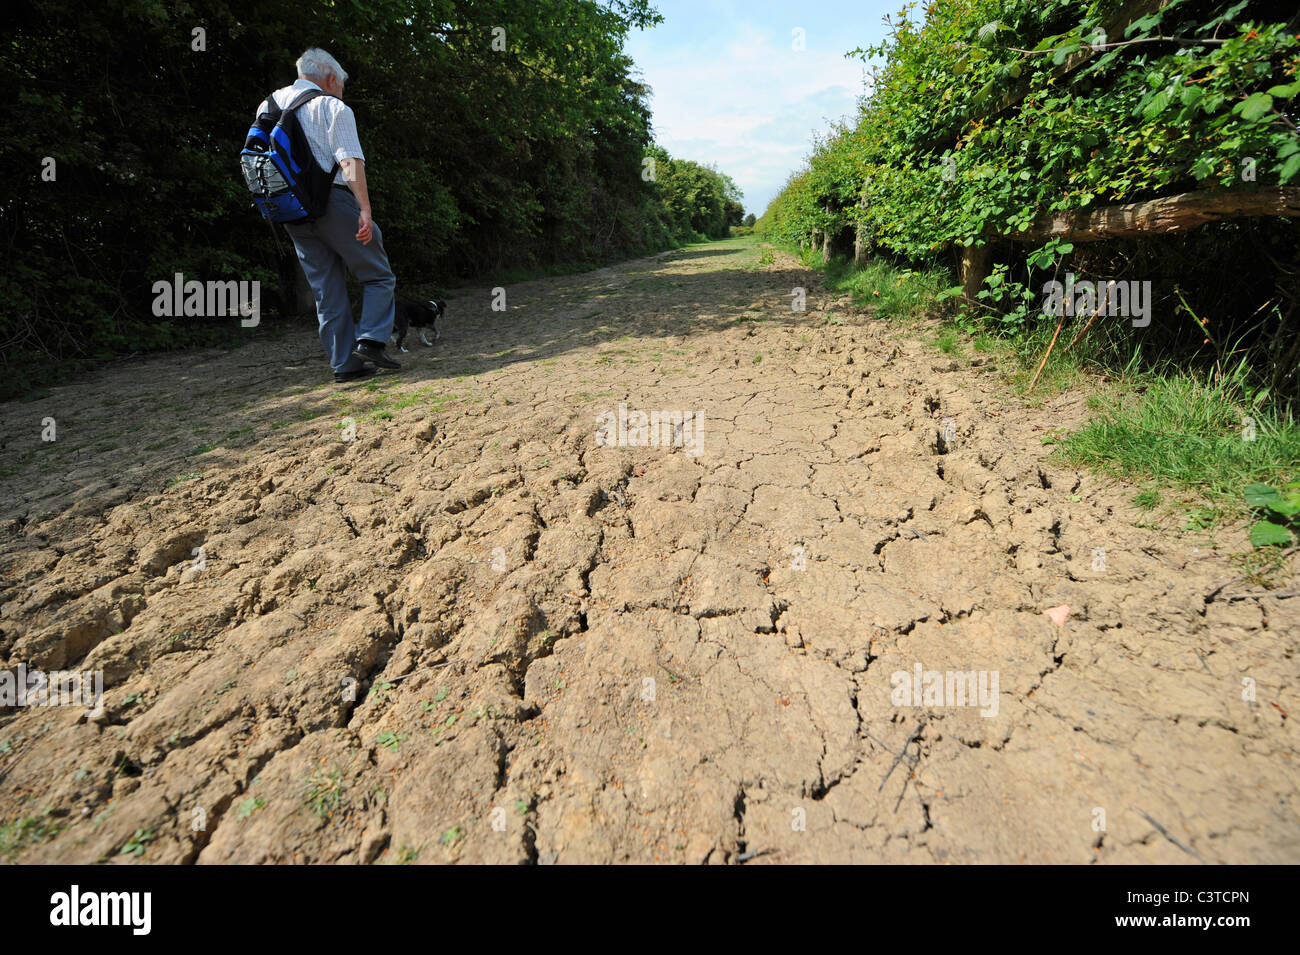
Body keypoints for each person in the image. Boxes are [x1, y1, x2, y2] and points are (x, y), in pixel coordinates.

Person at [255, 48, 401, 382]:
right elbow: (349, 159)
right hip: (333, 203)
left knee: (326, 289)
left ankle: (344, 365)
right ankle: (371, 341)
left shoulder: (268, 106)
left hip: (290, 210)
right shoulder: (331, 106)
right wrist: (364, 209)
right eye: (341, 86)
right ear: (332, 78)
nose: (341, 92)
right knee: (378, 274)